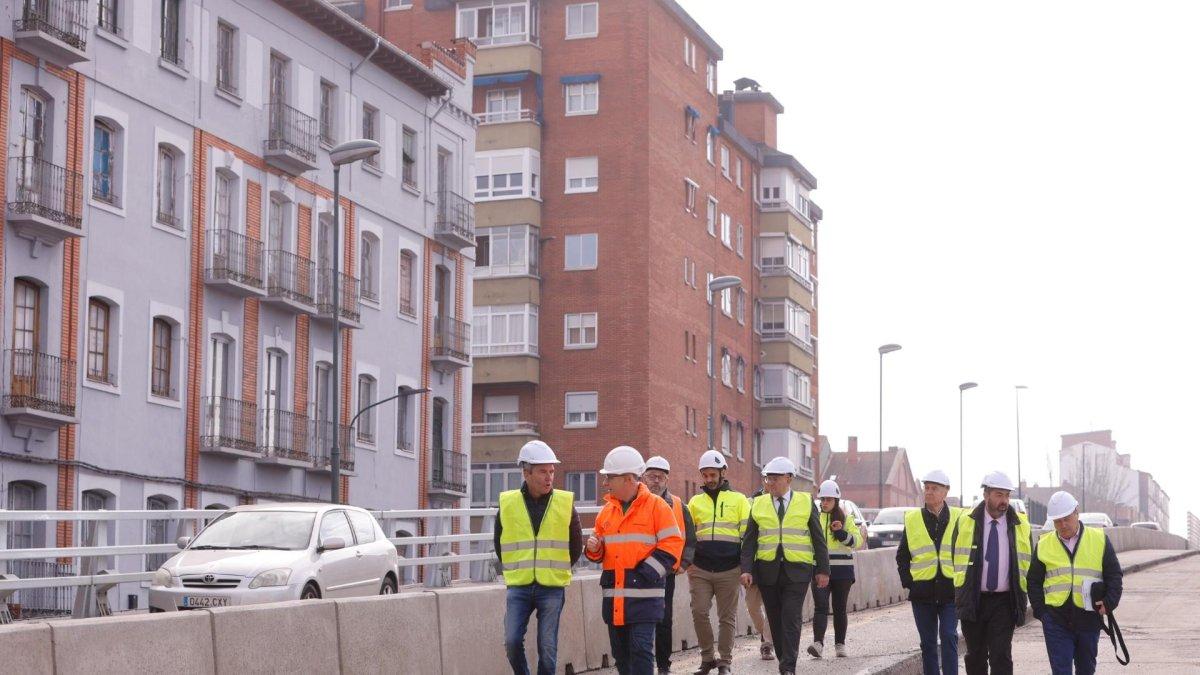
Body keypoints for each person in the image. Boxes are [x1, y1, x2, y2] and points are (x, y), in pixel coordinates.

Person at [587, 446, 685, 675]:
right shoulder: (606, 512)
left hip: (645, 596)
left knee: (641, 650)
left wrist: (644, 573)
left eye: (610, 477)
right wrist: (593, 549)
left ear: (629, 479)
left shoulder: (657, 507)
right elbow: (598, 554)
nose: (605, 483)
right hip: (615, 599)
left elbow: (673, 545)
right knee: (621, 655)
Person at [495, 441, 584, 675]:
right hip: (519, 586)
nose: (549, 477)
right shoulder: (508, 502)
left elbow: (576, 546)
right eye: (543, 471)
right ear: (526, 473)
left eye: (552, 471)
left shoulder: (565, 503)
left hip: (551, 587)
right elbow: (500, 542)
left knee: (547, 649)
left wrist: (557, 568)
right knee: (512, 642)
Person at [740, 456, 830, 675]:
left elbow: (819, 538)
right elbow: (750, 539)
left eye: (775, 478)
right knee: (775, 618)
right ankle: (785, 662)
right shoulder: (759, 503)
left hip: (797, 571)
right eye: (768, 479)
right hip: (767, 570)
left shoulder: (805, 502)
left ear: (789, 479)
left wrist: (823, 570)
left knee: (791, 617)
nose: (770, 483)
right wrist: (746, 569)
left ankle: (788, 666)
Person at [1028, 491, 1123, 675]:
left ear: (1076, 513)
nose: (1062, 525)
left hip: (1089, 619)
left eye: (1066, 518)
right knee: (1061, 671)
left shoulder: (1099, 539)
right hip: (1056, 620)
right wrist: (1042, 613)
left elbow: (1114, 575)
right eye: (1057, 521)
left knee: (1086, 670)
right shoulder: (1044, 544)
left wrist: (1110, 602)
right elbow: (1033, 581)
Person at [952, 471, 1032, 674]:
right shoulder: (965, 522)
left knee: (1001, 655)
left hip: (1004, 602)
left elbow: (1027, 564)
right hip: (973, 599)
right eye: (998, 495)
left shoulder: (1021, 525)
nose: (1004, 501)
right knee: (976, 656)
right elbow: (953, 557)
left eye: (1007, 495)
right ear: (986, 495)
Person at [686, 450, 751, 675]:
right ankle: (707, 658)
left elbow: (748, 538)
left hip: (730, 570)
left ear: (723, 473)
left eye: (713, 474)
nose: (709, 479)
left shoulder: (740, 500)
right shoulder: (694, 502)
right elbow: (688, 537)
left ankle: (724, 661)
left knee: (727, 618)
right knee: (699, 612)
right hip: (700, 569)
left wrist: (745, 568)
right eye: (705, 475)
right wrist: (689, 564)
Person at [896, 469, 961, 675]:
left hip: (951, 591)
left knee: (950, 636)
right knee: (928, 644)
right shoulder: (913, 519)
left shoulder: (959, 518)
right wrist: (909, 583)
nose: (929, 492)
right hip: (922, 593)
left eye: (935, 488)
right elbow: (902, 555)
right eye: (927, 488)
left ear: (945, 492)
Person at [641, 455, 697, 674]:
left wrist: (684, 563)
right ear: (644, 478)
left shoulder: (677, 505)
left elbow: (690, 537)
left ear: (667, 480)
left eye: (660, 477)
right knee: (640, 618)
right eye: (652, 476)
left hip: (666, 572)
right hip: (639, 571)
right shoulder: (636, 502)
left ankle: (663, 664)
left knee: (664, 618)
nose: (656, 481)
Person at [807, 478, 860, 659]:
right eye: (822, 499)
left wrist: (840, 533)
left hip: (843, 572)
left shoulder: (847, 519)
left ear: (836, 500)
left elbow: (857, 542)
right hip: (820, 571)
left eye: (829, 499)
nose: (825, 503)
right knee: (820, 607)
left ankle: (840, 645)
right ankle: (818, 644)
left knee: (839, 608)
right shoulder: (814, 519)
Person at [746, 483, 776, 662]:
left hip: (772, 563)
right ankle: (767, 635)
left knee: (772, 606)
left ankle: (767, 644)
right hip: (752, 563)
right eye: (769, 478)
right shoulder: (750, 502)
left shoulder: (783, 503)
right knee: (751, 606)